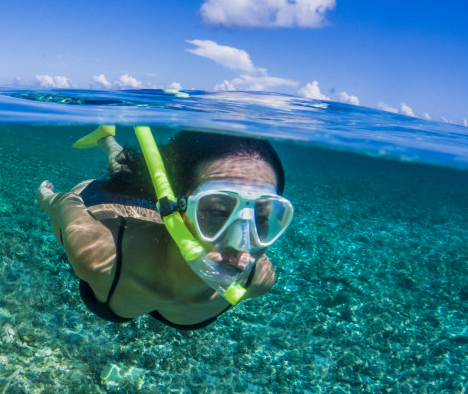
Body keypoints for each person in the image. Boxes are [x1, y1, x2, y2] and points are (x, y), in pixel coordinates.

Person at [37, 126, 293, 330]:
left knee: (130, 170)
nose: (241, 244)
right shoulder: (99, 255)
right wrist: (45, 198)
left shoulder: (258, 281)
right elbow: (64, 202)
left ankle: (107, 137)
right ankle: (107, 140)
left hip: (165, 217)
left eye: (262, 218)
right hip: (106, 207)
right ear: (177, 206)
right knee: (124, 174)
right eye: (217, 212)